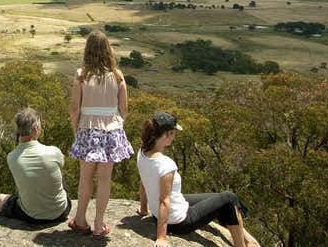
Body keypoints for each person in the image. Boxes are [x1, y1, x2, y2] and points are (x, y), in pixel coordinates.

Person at [136, 112, 260, 247]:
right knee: (229, 198)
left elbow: (144, 182)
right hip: (180, 222)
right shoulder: (166, 165)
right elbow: (164, 202)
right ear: (167, 134)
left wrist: (144, 209)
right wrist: (161, 237)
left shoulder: (142, 153)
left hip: (159, 214)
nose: (174, 136)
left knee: (219, 198)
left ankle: (248, 239)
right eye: (173, 133)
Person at [68, 30, 134, 239]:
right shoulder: (118, 76)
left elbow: (74, 109)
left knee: (85, 177)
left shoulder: (81, 75)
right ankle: (98, 225)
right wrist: (115, 125)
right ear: (108, 50)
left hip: (87, 128)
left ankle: (79, 220)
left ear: (88, 50)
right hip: (112, 130)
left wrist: (76, 129)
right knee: (105, 179)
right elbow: (124, 109)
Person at [0, 108, 72, 224]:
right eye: (40, 125)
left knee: (1, 198)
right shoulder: (54, 152)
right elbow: (62, 162)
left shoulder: (12, 157)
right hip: (61, 212)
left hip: (31, 215)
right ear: (35, 129)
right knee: (55, 169)